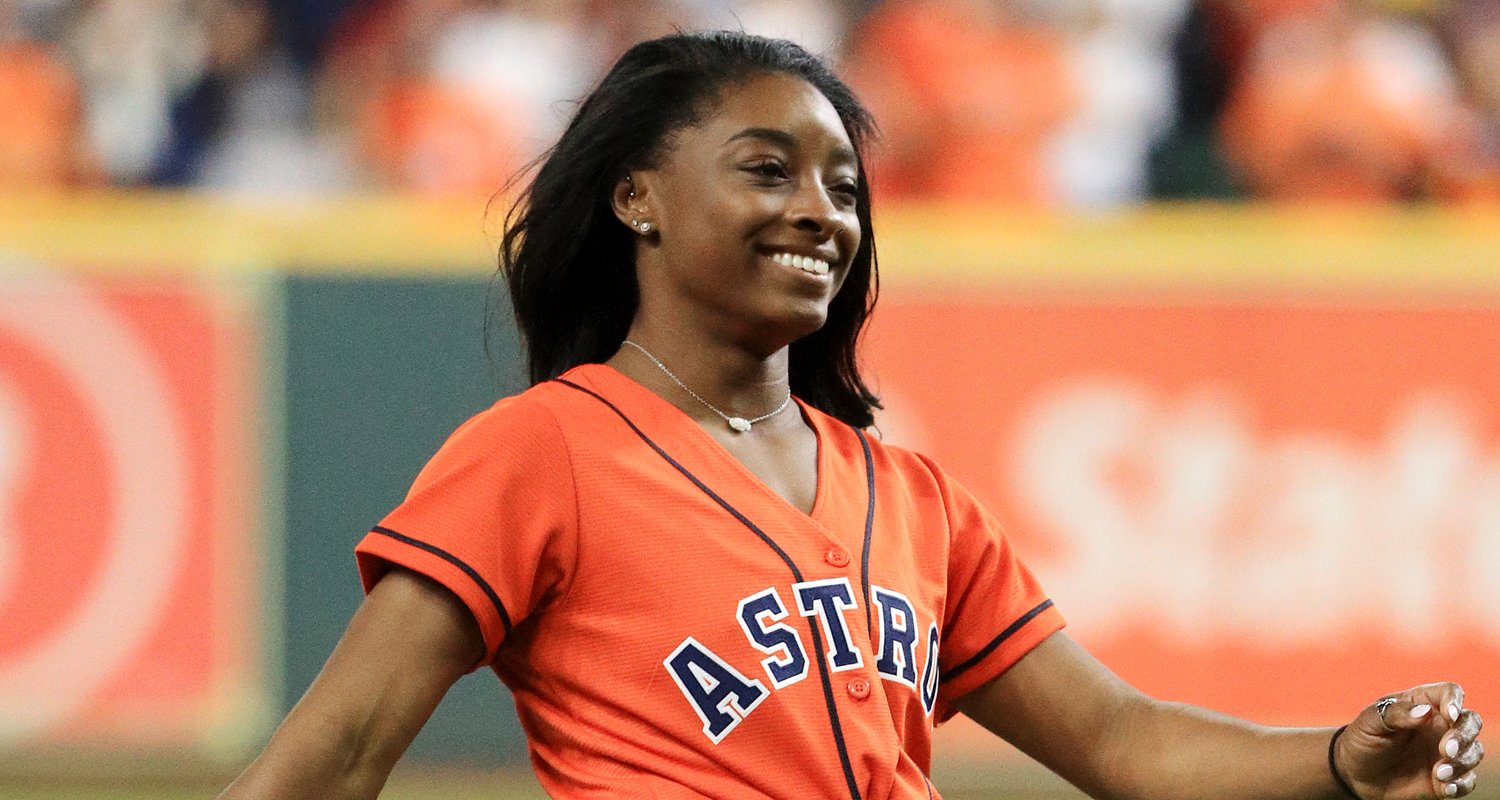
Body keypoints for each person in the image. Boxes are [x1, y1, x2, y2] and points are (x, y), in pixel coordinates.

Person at [218, 31, 1484, 800]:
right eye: (766, 168)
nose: (820, 209)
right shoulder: (542, 449)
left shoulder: (914, 497)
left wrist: (1335, 761)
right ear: (638, 198)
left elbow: (1122, 740)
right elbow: (327, 760)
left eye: (842, 182)